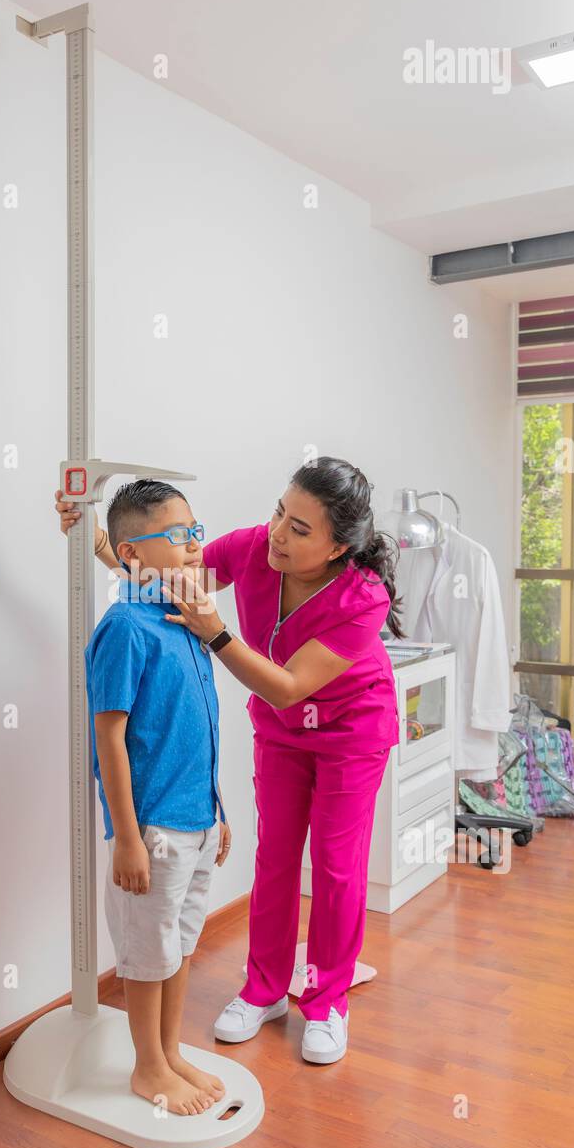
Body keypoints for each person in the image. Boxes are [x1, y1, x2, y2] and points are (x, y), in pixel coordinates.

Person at [57, 455, 401, 1067]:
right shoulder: (251, 549)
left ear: (337, 547)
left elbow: (290, 686)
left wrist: (216, 633)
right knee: (273, 858)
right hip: (280, 733)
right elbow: (163, 574)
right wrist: (97, 537)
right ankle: (264, 989)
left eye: (300, 529)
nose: (277, 534)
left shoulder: (362, 596)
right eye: (279, 513)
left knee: (337, 866)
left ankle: (325, 1001)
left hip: (350, 729)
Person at [83, 478, 232, 1116]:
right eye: (178, 536)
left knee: (181, 945)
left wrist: (220, 809)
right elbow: (109, 739)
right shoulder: (124, 627)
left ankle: (171, 1052)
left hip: (198, 820)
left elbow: (199, 723)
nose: (196, 545)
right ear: (132, 553)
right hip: (153, 831)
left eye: (196, 530)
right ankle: (147, 1069)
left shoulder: (184, 614)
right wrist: (125, 837)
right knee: (147, 955)